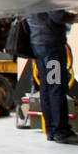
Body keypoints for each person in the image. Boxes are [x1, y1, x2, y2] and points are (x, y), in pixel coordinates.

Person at [25, 10, 77, 143]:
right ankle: (61, 132)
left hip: (38, 45)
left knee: (46, 89)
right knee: (56, 88)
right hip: (51, 46)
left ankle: (51, 130)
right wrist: (74, 17)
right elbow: (58, 16)